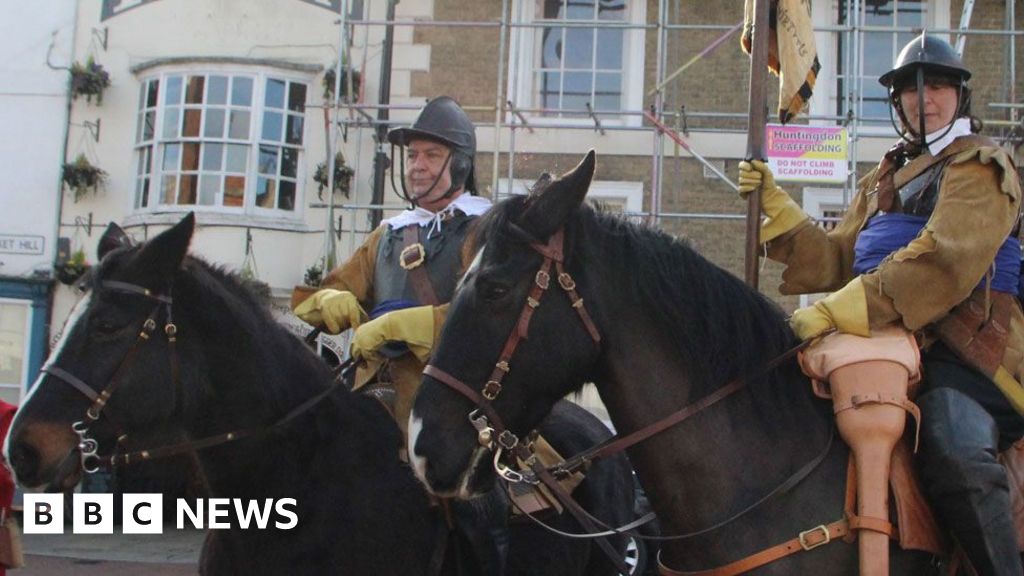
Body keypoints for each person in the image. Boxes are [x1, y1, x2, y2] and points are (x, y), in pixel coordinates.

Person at [738, 33, 1024, 574]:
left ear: (959, 95)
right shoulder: (884, 177)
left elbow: (942, 261)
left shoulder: (984, 166)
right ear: (897, 103)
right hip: (885, 340)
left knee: (953, 444)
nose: (925, 99)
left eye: (937, 85)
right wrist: (776, 205)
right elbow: (836, 257)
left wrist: (838, 309)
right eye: (910, 90)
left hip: (971, 350)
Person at [291, 96, 508, 574]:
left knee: (474, 497)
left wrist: (405, 325)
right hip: (371, 393)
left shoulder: (485, 229)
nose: (416, 166)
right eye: (412, 156)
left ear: (461, 163)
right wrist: (333, 302)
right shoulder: (389, 234)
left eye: (431, 155)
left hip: (452, 397)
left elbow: (492, 315)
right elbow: (318, 293)